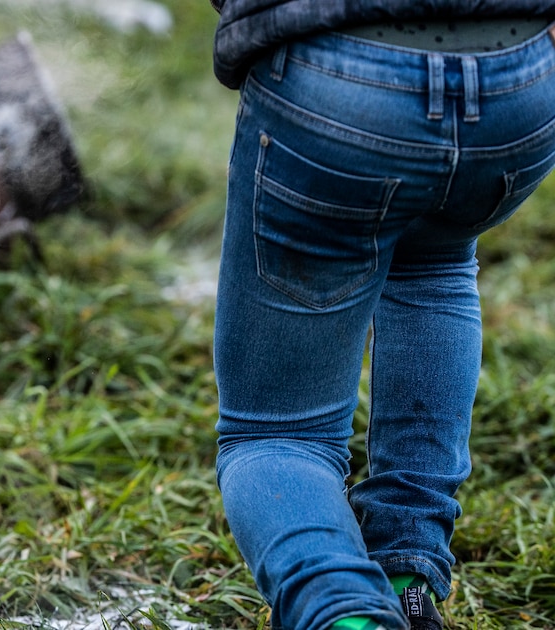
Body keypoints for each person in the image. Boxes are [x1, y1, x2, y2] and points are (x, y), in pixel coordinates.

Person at [207, 2, 555, 629]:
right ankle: (406, 582)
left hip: (336, 79)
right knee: (436, 265)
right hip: (518, 80)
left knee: (278, 433)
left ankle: (346, 615)